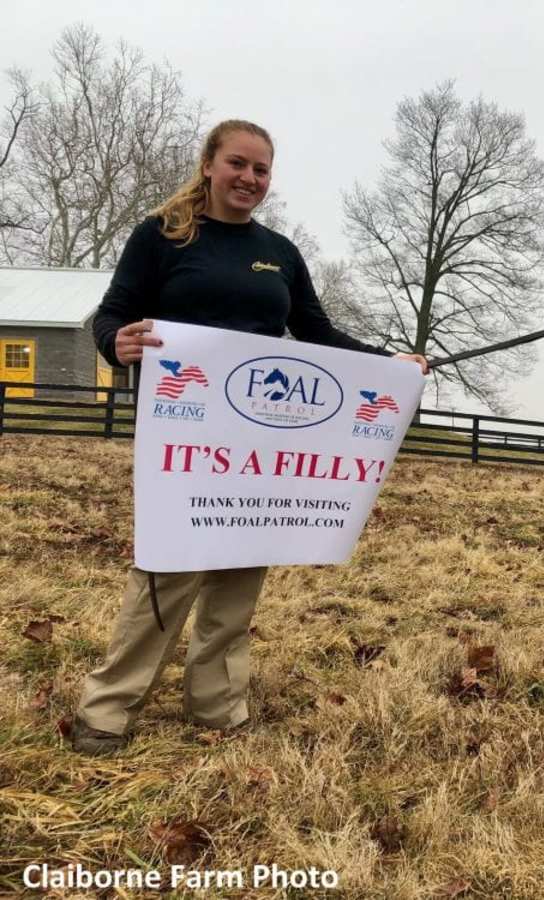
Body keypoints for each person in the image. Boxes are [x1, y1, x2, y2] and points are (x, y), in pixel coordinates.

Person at [72, 119, 428, 755]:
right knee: (167, 568)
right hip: (183, 435)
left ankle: (216, 702)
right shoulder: (161, 235)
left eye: (261, 169)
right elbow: (114, 313)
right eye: (237, 163)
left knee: (241, 566)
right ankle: (107, 708)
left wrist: (388, 363)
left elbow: (316, 332)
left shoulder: (280, 252)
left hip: (260, 442)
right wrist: (113, 341)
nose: (249, 178)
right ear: (209, 165)